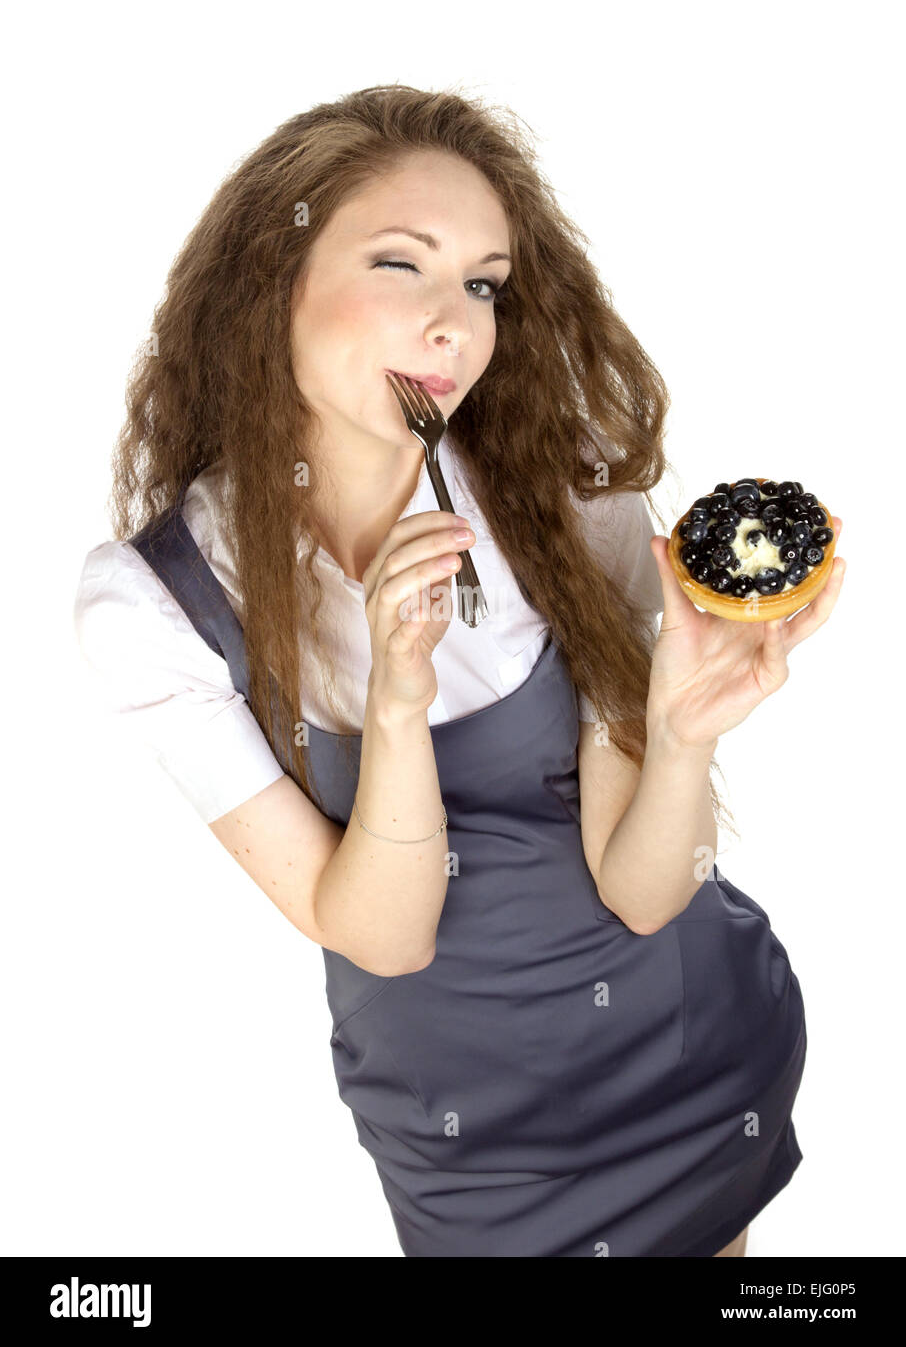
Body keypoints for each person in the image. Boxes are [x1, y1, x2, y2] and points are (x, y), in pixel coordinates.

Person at [73, 85, 845, 1257]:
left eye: (483, 283)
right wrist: (394, 697)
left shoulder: (563, 486)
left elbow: (643, 887)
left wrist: (682, 729)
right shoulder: (161, 597)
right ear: (268, 281)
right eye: (402, 265)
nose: (458, 326)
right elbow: (378, 934)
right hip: (467, 1138)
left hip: (678, 1048)